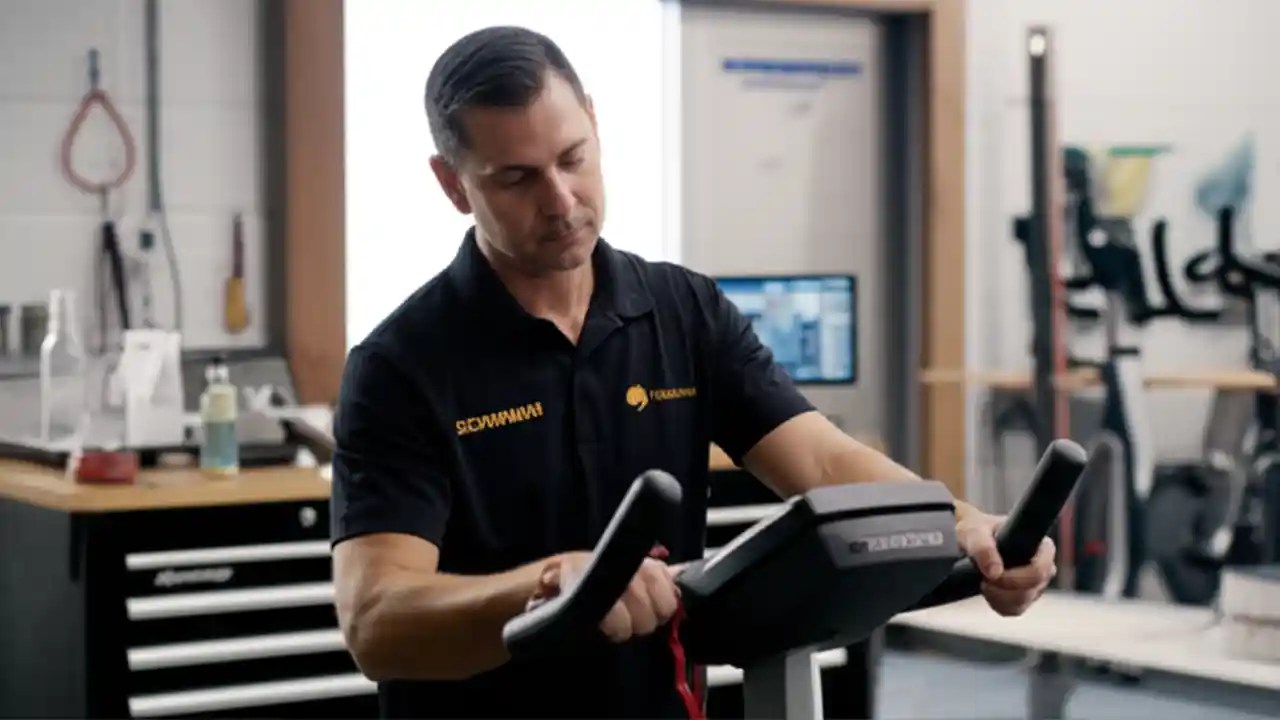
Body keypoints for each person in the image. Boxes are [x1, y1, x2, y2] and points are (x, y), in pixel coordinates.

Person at [329, 25, 1057, 719]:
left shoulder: (682, 310)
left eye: (573, 158)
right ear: (453, 184)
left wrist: (965, 526)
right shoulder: (401, 366)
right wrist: (548, 585)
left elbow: (823, 459)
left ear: (594, 124)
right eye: (516, 178)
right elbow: (377, 620)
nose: (560, 200)